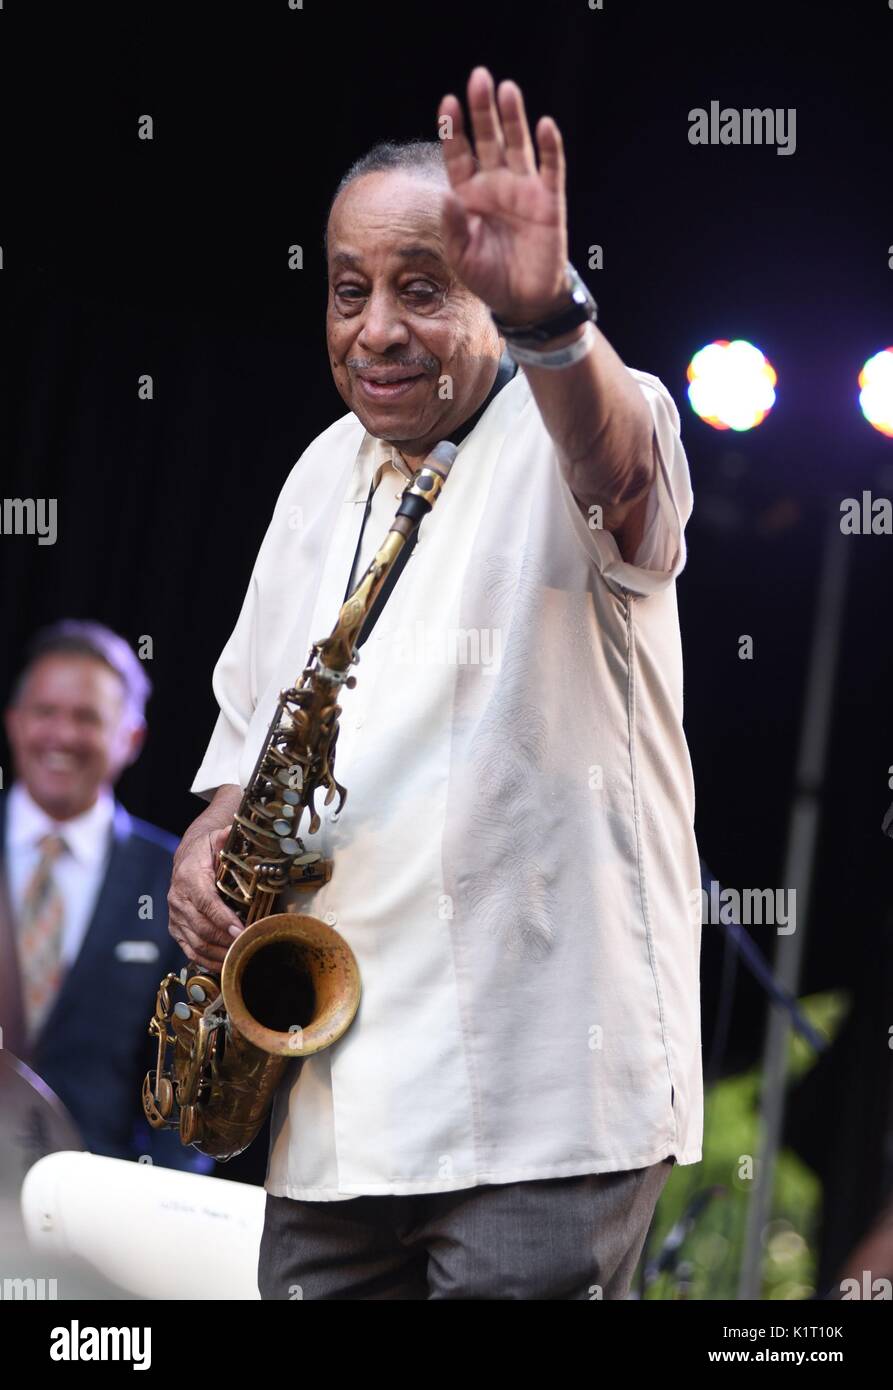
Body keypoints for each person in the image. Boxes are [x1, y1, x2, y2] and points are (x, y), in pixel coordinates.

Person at [169, 67, 703, 1298]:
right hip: (336, 1110)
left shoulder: (582, 417)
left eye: (423, 288)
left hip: (542, 1105)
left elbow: (623, 478)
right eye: (349, 291)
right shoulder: (312, 477)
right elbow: (239, 761)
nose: (375, 329)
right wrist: (203, 856)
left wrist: (549, 315)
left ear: (486, 292)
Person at [0, 620, 209, 1173]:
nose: (62, 735)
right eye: (45, 712)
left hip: (95, 1215)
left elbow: (192, 1090)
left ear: (130, 737)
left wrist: (156, 1212)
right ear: (15, 722)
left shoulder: (179, 881)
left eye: (87, 717)